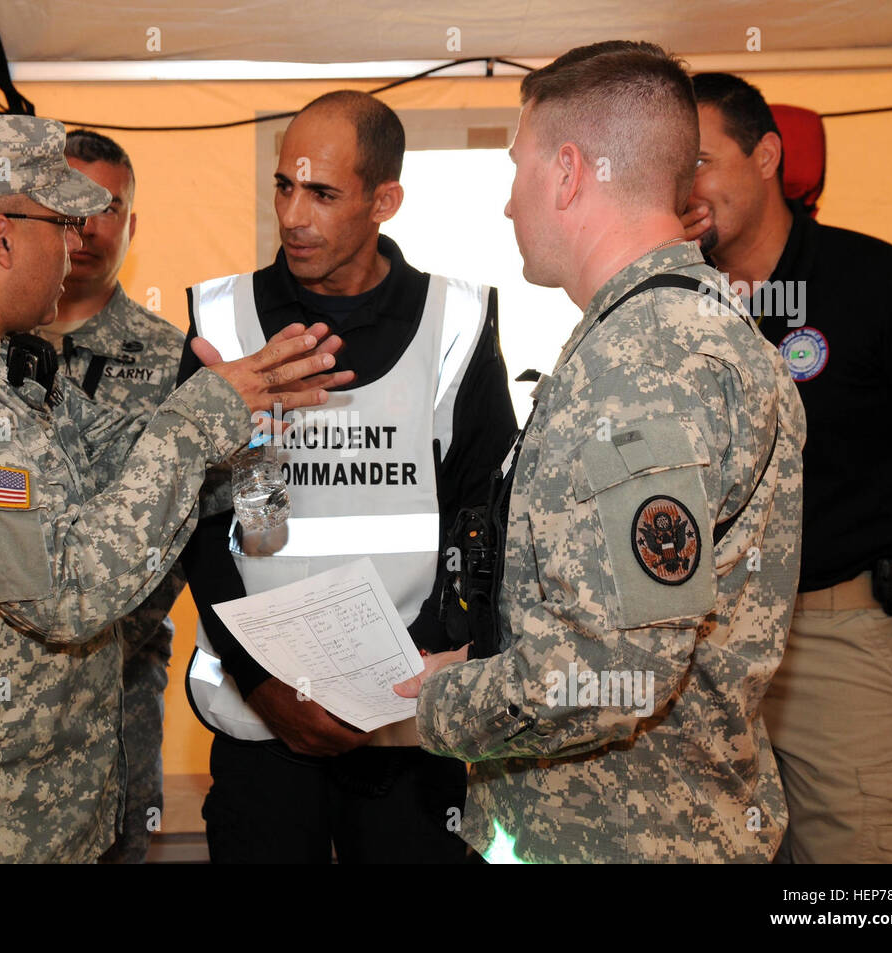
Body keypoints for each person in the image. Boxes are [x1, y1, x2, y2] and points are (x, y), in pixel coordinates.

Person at [0, 106, 351, 863]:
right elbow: (70, 591)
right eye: (60, 225)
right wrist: (192, 424)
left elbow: (104, 478)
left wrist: (221, 409)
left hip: (33, 818)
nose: (75, 247)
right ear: (3, 238)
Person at [395, 41, 807, 863]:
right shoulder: (660, 333)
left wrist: (444, 703)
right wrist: (482, 657)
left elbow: (623, 663)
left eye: (518, 169)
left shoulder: (643, 364)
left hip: (624, 837)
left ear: (568, 173)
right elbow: (608, 616)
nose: (510, 206)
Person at [179, 90, 517, 863]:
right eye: (283, 185)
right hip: (261, 716)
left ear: (384, 200)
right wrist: (266, 686)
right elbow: (193, 523)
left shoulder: (456, 320)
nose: (293, 214)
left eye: (323, 193)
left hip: (404, 719)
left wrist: (400, 681)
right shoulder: (222, 317)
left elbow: (481, 518)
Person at [682, 71, 892, 863]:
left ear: (767, 156)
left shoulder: (884, 286)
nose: (685, 186)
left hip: (840, 637)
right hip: (700, 647)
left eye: (701, 160)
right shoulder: (671, 304)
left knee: (853, 884)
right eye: (673, 168)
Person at [36, 130, 184, 864]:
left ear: (132, 224)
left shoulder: (174, 361)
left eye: (109, 208)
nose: (89, 227)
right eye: (71, 207)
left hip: (118, 705)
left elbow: (210, 530)